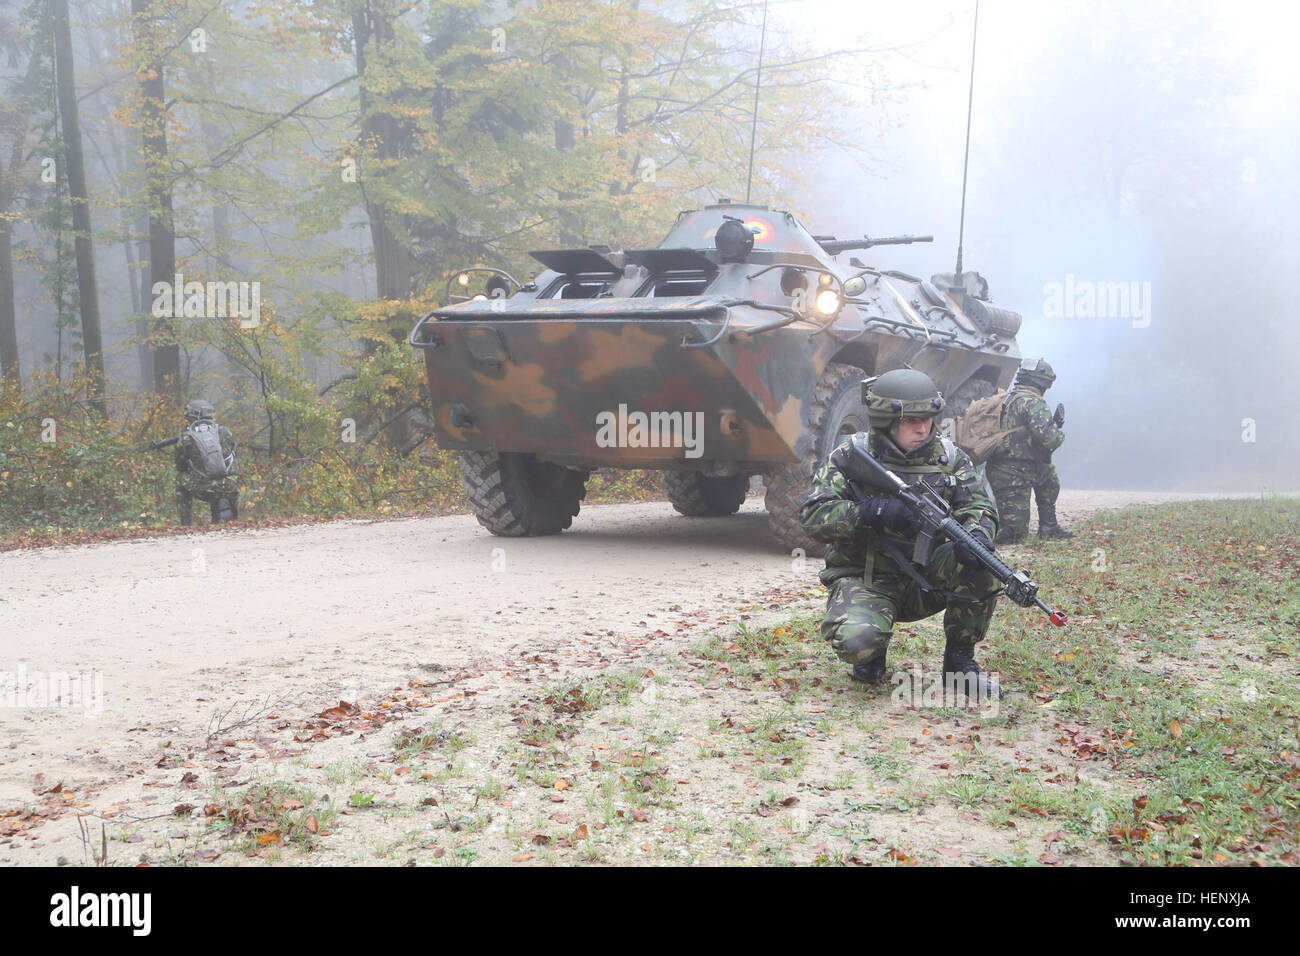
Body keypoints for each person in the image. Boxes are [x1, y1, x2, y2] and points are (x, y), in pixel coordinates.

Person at [799, 369, 1002, 697]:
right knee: (857, 643)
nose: (924, 429)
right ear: (884, 421)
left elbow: (980, 507)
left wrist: (977, 534)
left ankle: (960, 661)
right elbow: (812, 516)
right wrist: (869, 512)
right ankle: (872, 652)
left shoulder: (949, 459)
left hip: (928, 579)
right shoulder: (851, 457)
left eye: (929, 419)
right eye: (911, 421)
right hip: (867, 579)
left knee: (983, 562)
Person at [985, 358, 1071, 543]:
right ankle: (984, 536)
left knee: (1049, 480)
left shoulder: (1007, 398)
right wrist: (1058, 431)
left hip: (1011, 467)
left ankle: (1049, 526)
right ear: (1043, 382)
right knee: (1014, 536)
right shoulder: (1032, 402)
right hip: (1012, 472)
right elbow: (1050, 438)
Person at [149, 400, 239, 525]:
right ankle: (223, 516)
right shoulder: (225, 431)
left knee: (180, 479)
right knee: (226, 471)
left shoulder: (186, 437)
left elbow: (180, 467)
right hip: (230, 487)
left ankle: (186, 523)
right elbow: (233, 453)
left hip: (205, 488)